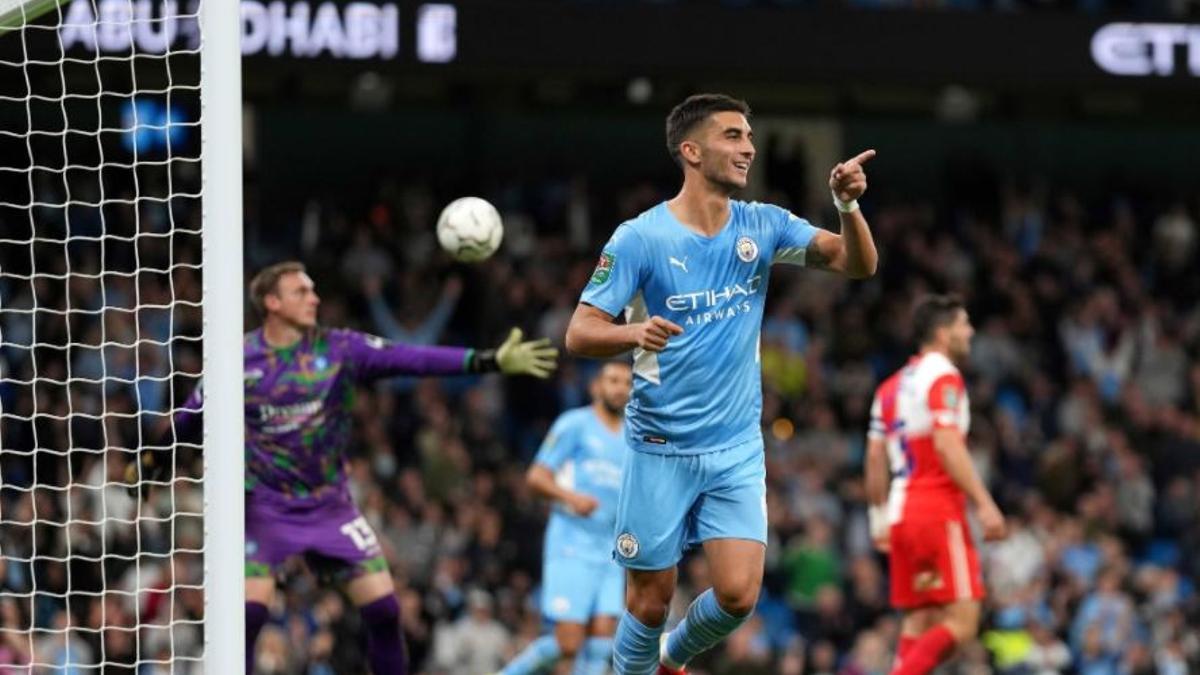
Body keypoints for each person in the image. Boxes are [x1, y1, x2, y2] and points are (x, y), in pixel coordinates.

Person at [564, 93, 879, 675]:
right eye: (732, 136)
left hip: (736, 447)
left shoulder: (763, 224)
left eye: (749, 137)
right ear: (691, 150)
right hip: (660, 447)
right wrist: (632, 336)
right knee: (650, 601)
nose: (749, 148)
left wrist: (845, 206)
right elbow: (580, 332)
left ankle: (671, 662)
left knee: (738, 596)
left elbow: (855, 263)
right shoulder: (640, 238)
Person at [130, 261, 558, 675]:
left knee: (386, 610)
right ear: (272, 303)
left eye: (314, 289)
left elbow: (411, 358)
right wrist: (153, 459)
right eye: (302, 290)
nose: (315, 298)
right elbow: (191, 413)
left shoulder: (339, 348)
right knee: (249, 614)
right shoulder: (238, 359)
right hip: (264, 509)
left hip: (330, 508)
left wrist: (487, 360)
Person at [863, 295, 1008, 675]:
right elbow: (946, 443)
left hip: (901, 512)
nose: (970, 331)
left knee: (920, 621)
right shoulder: (943, 375)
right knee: (962, 623)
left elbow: (875, 458)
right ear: (943, 334)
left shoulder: (889, 388)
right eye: (963, 324)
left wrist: (878, 518)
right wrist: (984, 503)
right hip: (937, 509)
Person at [500, 360, 633, 675]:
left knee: (603, 637)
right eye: (612, 380)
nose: (620, 388)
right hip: (572, 542)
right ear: (595, 387)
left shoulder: (634, 436)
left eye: (627, 383)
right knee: (567, 643)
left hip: (611, 549)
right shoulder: (574, 424)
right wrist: (571, 498)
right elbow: (535, 478)